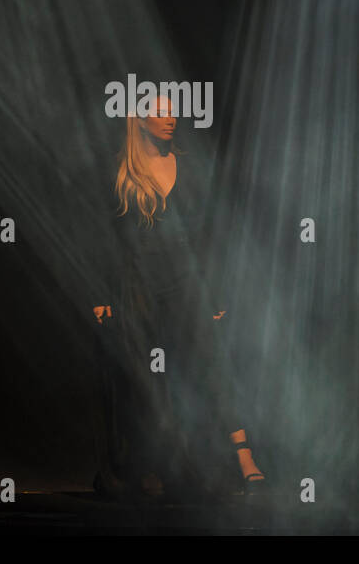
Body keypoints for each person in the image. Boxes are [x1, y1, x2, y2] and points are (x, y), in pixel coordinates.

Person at [89, 96, 265, 501]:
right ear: (141, 118)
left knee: (213, 364)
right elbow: (105, 236)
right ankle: (156, 466)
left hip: (186, 279)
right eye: (161, 111)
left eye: (174, 112)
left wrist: (214, 291)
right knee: (144, 378)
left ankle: (243, 456)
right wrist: (102, 295)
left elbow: (209, 235)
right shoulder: (121, 171)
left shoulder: (187, 166)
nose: (171, 119)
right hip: (137, 282)